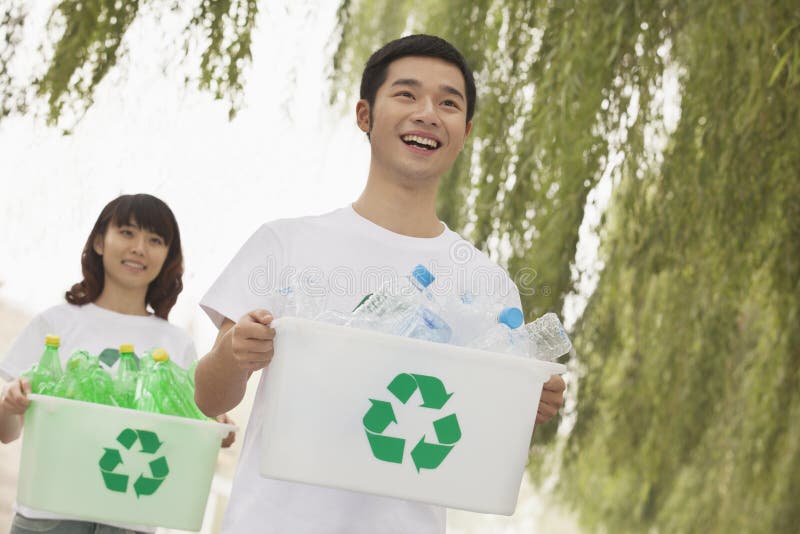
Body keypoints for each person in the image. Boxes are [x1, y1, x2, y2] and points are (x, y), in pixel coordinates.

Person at [195, 34, 566, 534]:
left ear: (465, 132)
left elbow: (481, 445)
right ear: (364, 115)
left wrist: (525, 407)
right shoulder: (286, 244)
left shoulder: (487, 287)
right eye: (407, 94)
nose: (427, 114)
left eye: (448, 103)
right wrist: (235, 351)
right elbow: (209, 398)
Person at [0, 193, 235, 534]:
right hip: (49, 515)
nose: (139, 248)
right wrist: (9, 404)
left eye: (155, 240)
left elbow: (183, 436)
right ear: (99, 241)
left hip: (131, 519)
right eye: (127, 232)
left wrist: (210, 428)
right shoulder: (55, 324)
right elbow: (6, 432)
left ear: (168, 256)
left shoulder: (177, 344)